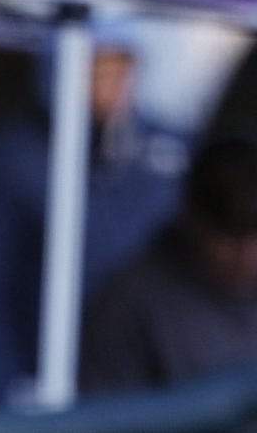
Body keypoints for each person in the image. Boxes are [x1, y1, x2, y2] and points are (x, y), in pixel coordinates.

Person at [0, 26, 186, 406]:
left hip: (150, 383)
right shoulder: (19, 153)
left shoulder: (168, 149)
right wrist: (7, 383)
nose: (110, 83)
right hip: (51, 379)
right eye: (95, 69)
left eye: (120, 67)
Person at [80, 135, 257, 394]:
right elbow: (110, 425)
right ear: (195, 220)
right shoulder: (129, 305)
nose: (249, 255)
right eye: (233, 239)